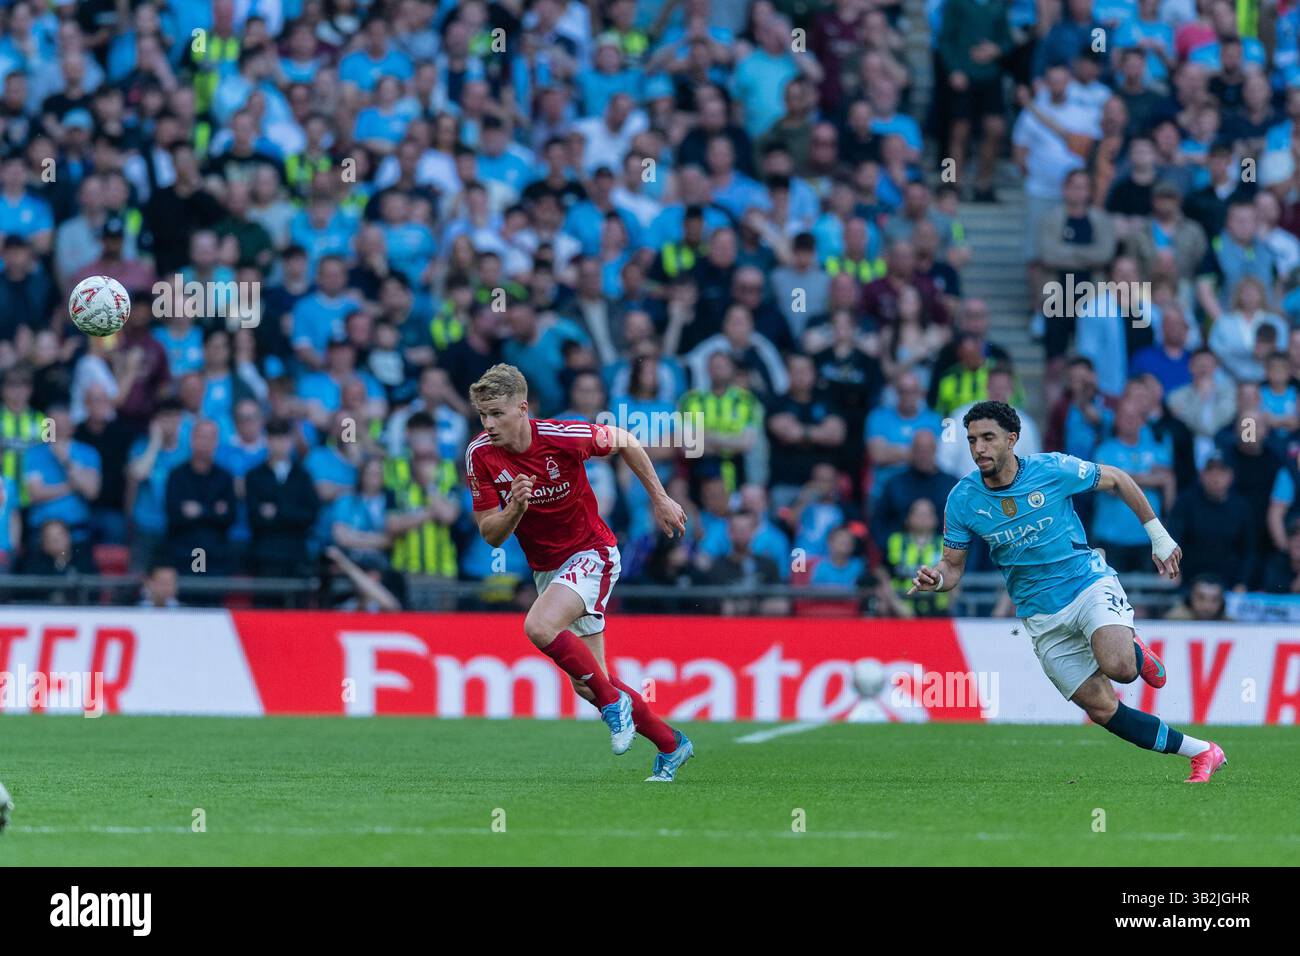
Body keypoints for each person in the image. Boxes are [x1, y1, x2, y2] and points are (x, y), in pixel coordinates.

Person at [910, 400, 1228, 784]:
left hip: (1086, 584)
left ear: (1012, 439)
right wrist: (937, 579)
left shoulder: (1052, 469)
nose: (978, 448)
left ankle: (1133, 650)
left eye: (988, 438)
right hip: (1040, 616)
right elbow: (953, 566)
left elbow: (1119, 479)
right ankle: (1202, 752)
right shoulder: (963, 499)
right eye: (972, 439)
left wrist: (1157, 537)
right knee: (1103, 710)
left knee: (1121, 669)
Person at [465, 363, 693, 782]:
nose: (489, 423)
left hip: (592, 552)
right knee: (590, 683)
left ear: (523, 407)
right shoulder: (479, 455)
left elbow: (625, 440)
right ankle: (671, 744)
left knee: (538, 626)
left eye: (497, 413)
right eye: (483, 414)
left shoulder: (561, 436)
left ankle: (614, 706)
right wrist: (514, 508)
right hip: (548, 570)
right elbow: (490, 535)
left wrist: (659, 499)